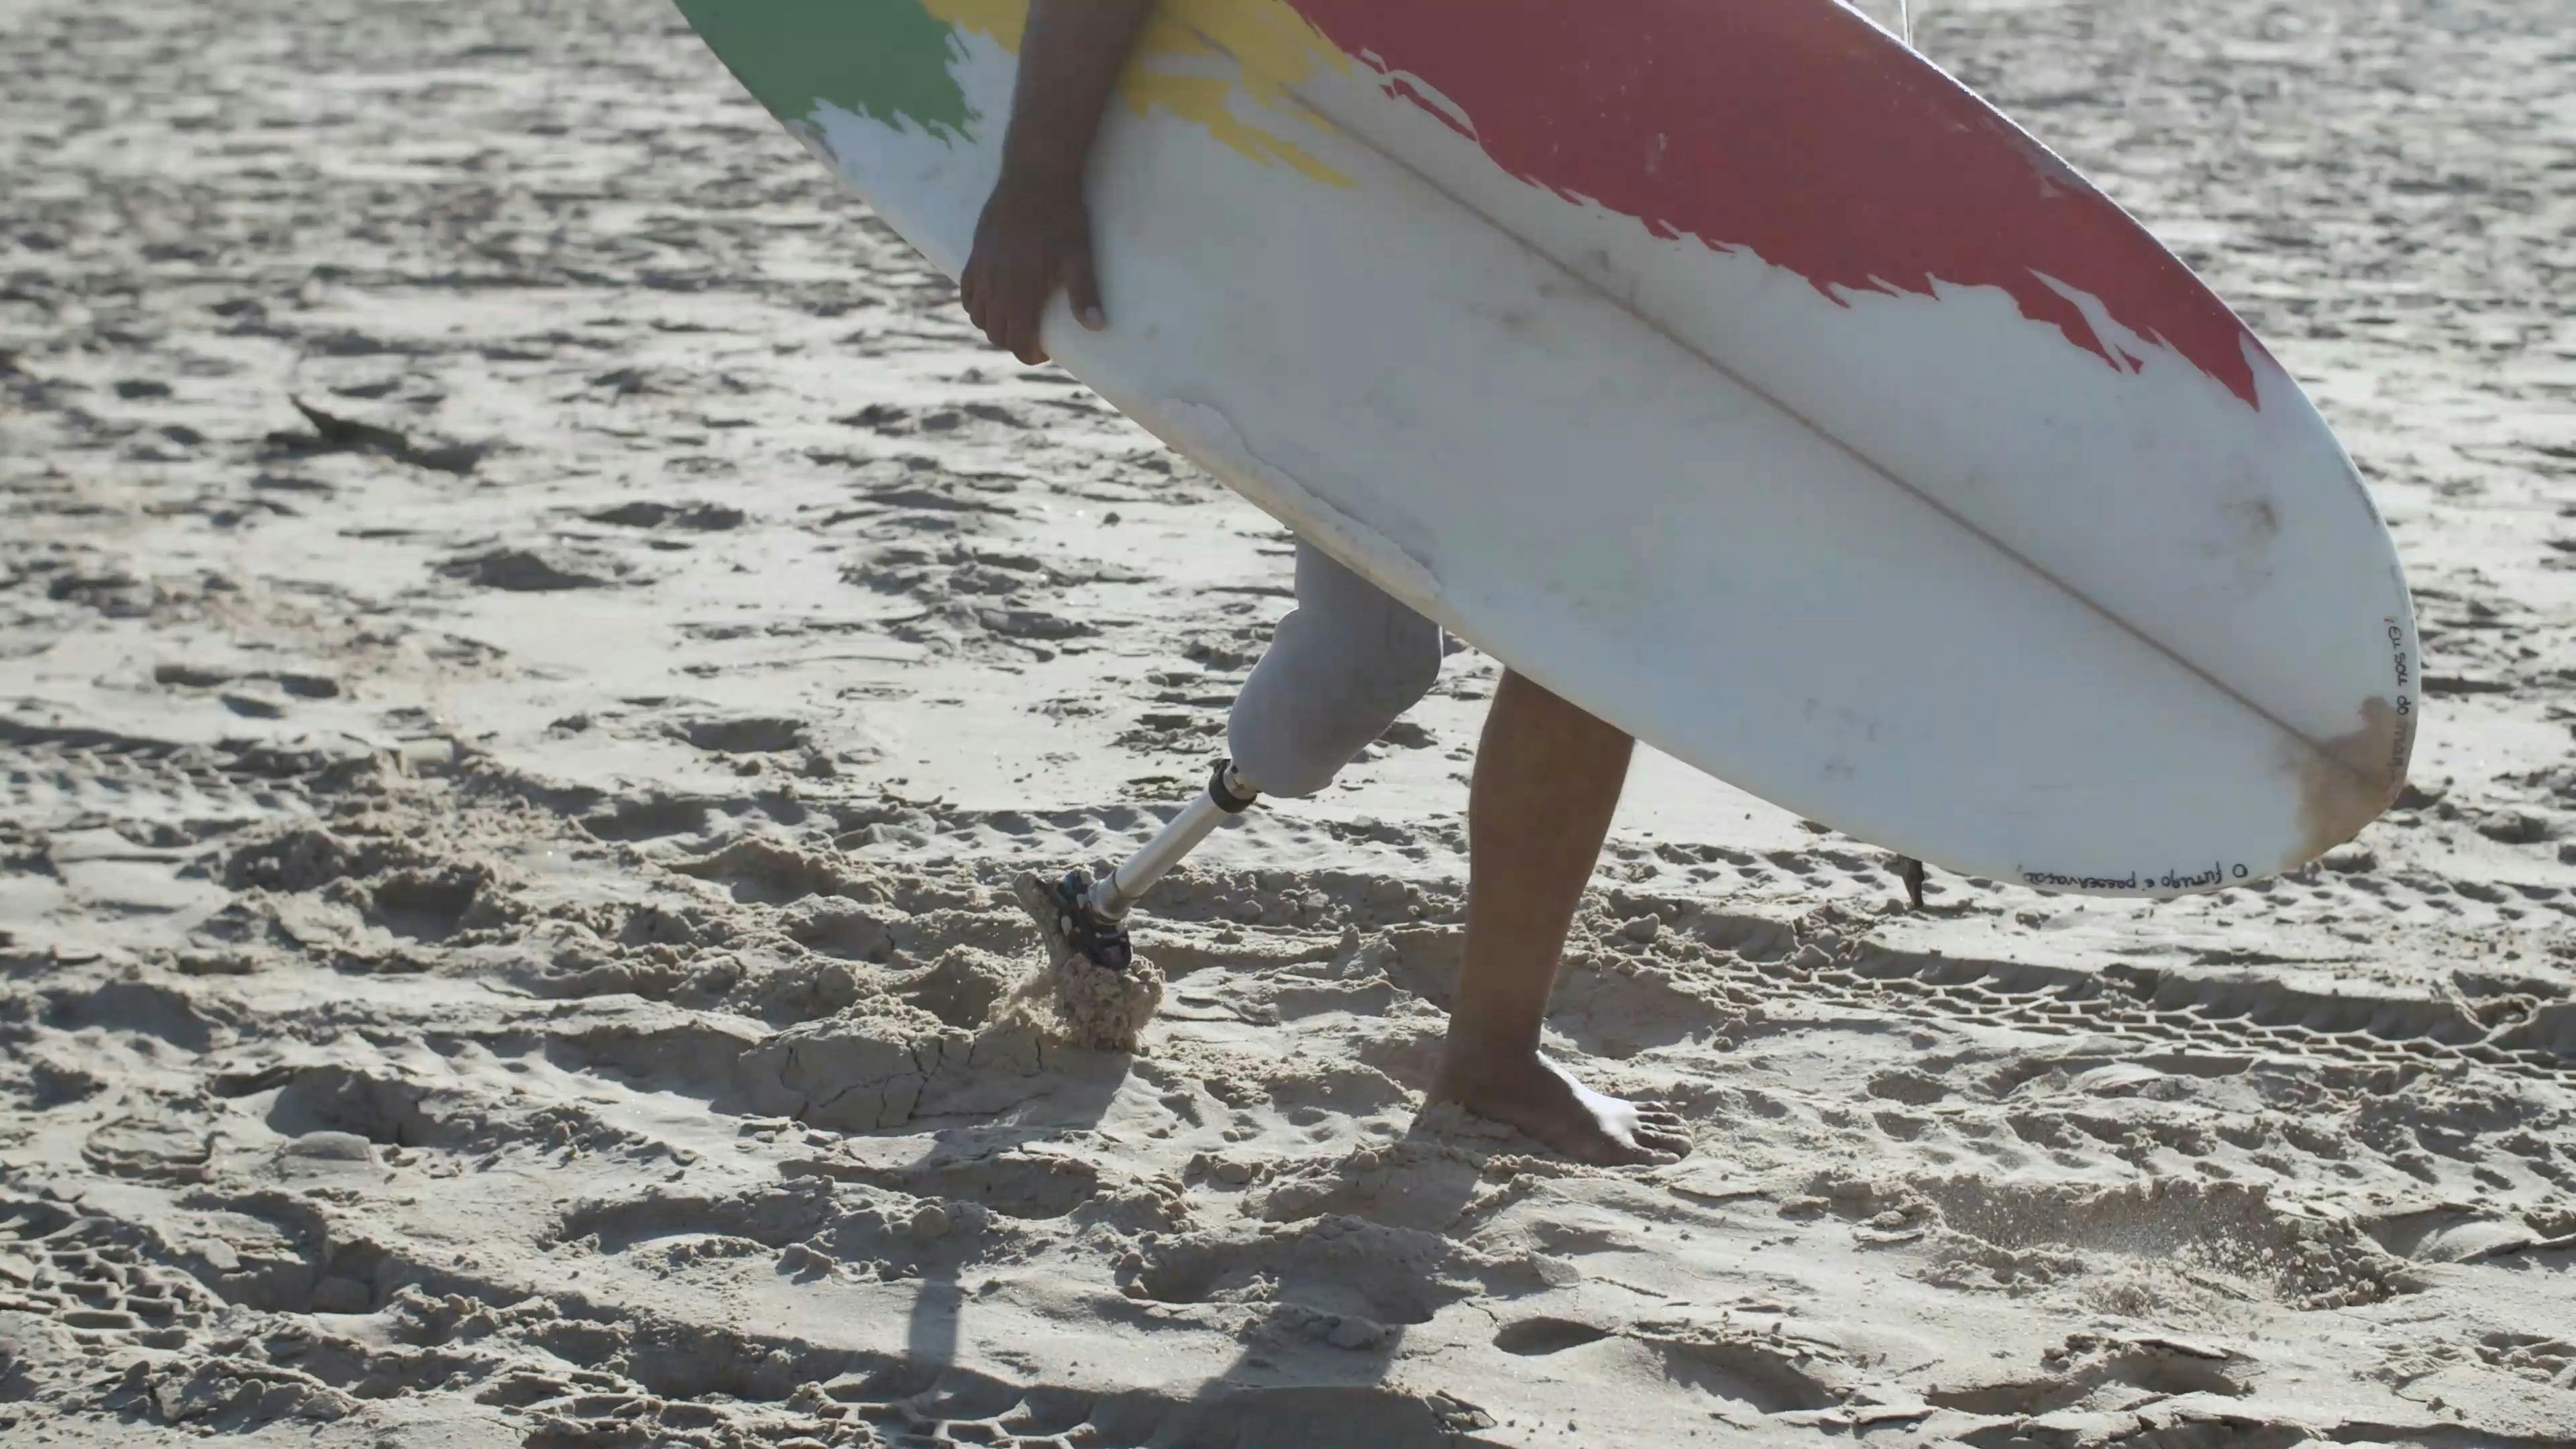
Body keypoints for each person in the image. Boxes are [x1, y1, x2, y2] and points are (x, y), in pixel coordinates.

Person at [957, 0, 1690, 1167]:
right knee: (1367, 661)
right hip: (1366, 215)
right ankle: (1111, 891)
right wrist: (1038, 176)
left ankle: (1493, 1055)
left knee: (1587, 621)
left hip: (1610, 245)